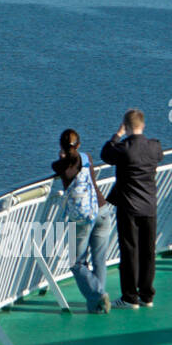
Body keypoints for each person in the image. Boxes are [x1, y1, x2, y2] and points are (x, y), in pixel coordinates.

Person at [101, 109, 165, 309]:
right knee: (148, 252)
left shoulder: (123, 149)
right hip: (149, 207)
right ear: (143, 125)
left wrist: (117, 135)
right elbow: (159, 156)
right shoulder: (154, 147)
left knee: (130, 252)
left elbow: (106, 154)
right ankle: (147, 295)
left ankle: (130, 297)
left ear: (126, 126)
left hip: (129, 208)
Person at [52, 129, 113, 314]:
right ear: (78, 145)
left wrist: (61, 156)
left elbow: (56, 165)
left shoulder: (61, 166)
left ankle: (99, 295)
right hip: (102, 210)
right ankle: (97, 305)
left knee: (76, 263)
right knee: (99, 260)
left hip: (81, 218)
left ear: (61, 147)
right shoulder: (87, 158)